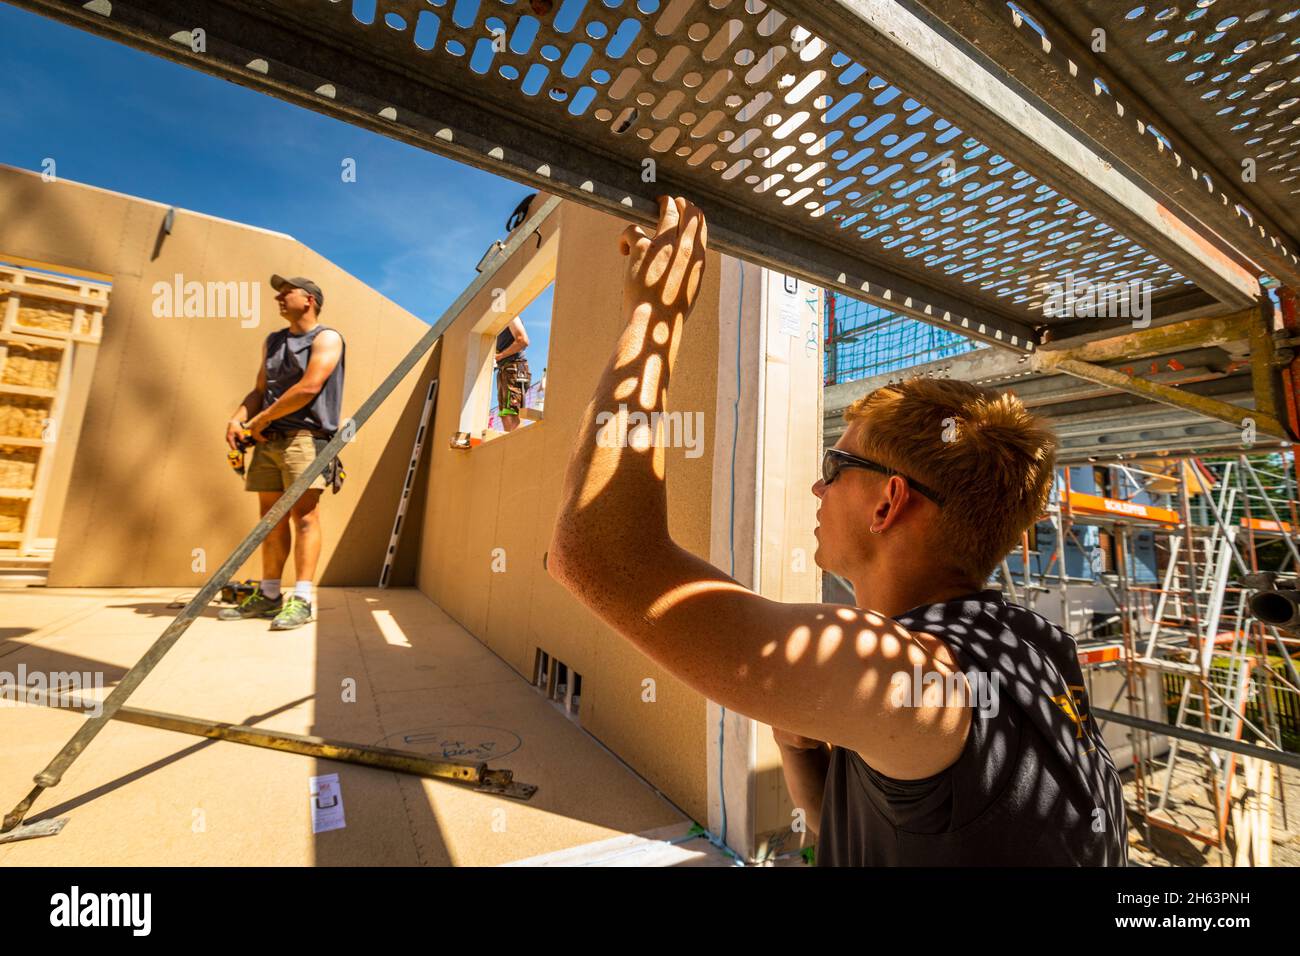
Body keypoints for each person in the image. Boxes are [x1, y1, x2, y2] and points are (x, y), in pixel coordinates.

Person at [546, 195, 1126, 865]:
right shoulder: (1036, 644)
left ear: (888, 503)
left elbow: (594, 553)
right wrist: (798, 745)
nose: (818, 488)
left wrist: (652, 316)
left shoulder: (905, 673)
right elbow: (861, 834)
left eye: (835, 465)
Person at [221, 275, 345, 631]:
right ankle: (269, 595)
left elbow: (310, 387)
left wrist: (258, 420)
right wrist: (238, 418)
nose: (278, 296)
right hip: (267, 440)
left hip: (304, 439)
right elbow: (260, 388)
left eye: (285, 291)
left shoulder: (327, 338)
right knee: (270, 520)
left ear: (308, 299)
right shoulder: (273, 341)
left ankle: (302, 600)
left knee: (304, 518)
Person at [494, 316, 530, 433]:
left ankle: (518, 449)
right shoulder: (495, 328)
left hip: (515, 368)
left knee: (512, 413)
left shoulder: (511, 316)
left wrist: (500, 356)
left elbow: (523, 341)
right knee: (505, 415)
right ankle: (509, 449)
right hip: (503, 370)